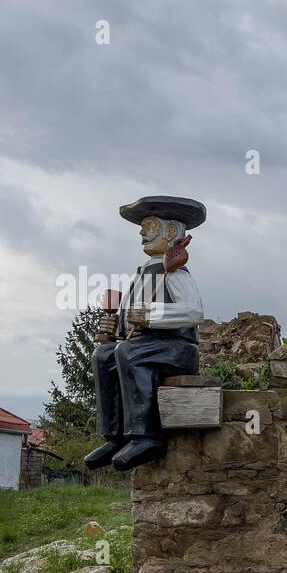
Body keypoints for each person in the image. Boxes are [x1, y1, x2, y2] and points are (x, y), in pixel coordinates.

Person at [84, 196, 206, 471]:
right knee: (104, 355)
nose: (141, 232)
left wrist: (151, 317)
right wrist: (114, 332)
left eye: (149, 225)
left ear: (171, 232)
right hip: (144, 344)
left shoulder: (175, 273)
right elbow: (130, 322)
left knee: (129, 352)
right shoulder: (143, 274)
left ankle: (146, 435)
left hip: (176, 347)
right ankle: (114, 435)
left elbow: (193, 312)